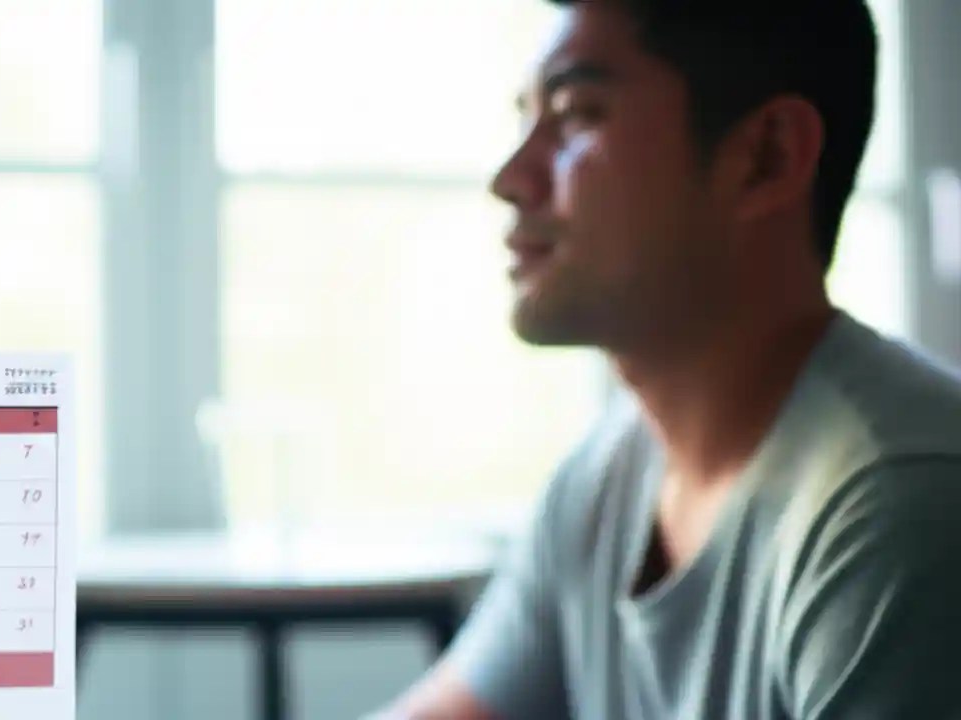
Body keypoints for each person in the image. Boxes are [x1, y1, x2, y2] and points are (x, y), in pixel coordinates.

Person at [371, 0, 961, 718]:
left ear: (766, 155)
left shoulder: (896, 512)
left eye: (578, 113)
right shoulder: (607, 479)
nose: (511, 177)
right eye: (526, 119)